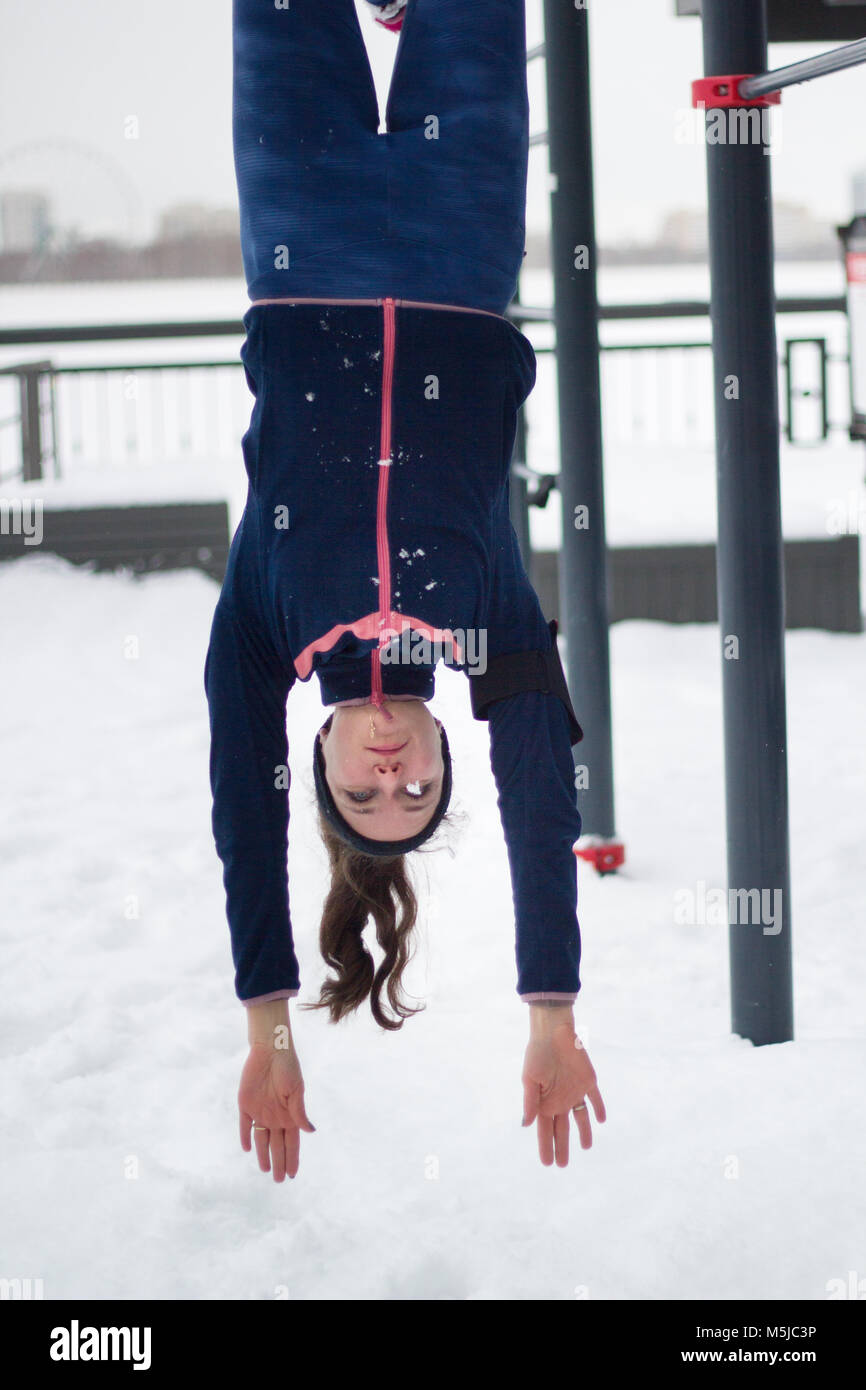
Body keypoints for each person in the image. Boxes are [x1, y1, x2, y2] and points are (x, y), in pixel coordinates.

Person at [204, 0, 606, 1183]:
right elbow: (542, 803)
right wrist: (550, 1013)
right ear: (444, 753)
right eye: (417, 789)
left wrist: (269, 1028)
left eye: (364, 792)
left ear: (319, 760)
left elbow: (240, 817)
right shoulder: (491, 620)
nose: (392, 773)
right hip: (457, 240)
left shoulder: (262, 621)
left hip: (301, 230)